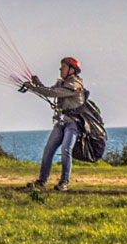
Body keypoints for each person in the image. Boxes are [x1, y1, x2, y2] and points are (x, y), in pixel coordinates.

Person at [20, 57, 88, 191]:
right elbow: (49, 90)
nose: (60, 69)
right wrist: (38, 84)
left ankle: (64, 182)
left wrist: (33, 88)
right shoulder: (61, 83)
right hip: (61, 122)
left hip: (73, 123)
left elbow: (53, 93)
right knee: (48, 150)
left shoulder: (75, 85)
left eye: (63, 67)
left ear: (71, 70)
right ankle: (42, 181)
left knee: (65, 149)